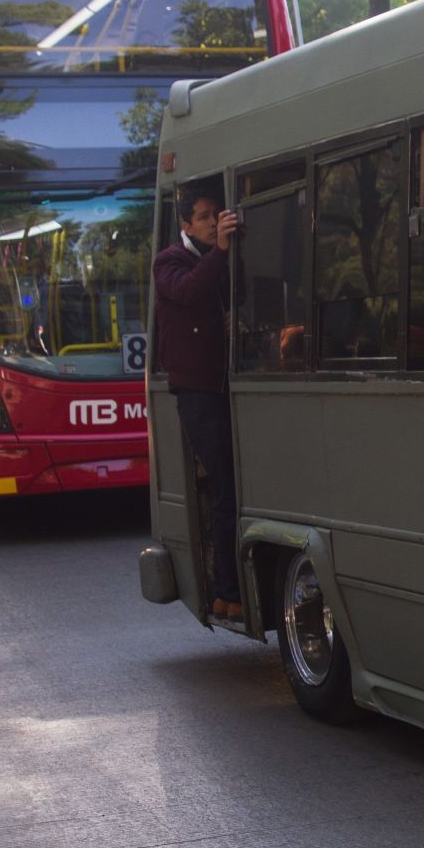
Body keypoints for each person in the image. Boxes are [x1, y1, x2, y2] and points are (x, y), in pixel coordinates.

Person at [153, 187, 243, 621]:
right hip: (197, 393)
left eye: (215, 215)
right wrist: (221, 251)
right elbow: (188, 291)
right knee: (224, 488)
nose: (212, 222)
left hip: (224, 387)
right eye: (204, 217)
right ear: (185, 225)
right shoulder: (169, 261)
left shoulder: (217, 260)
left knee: (232, 489)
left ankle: (228, 592)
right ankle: (226, 591)